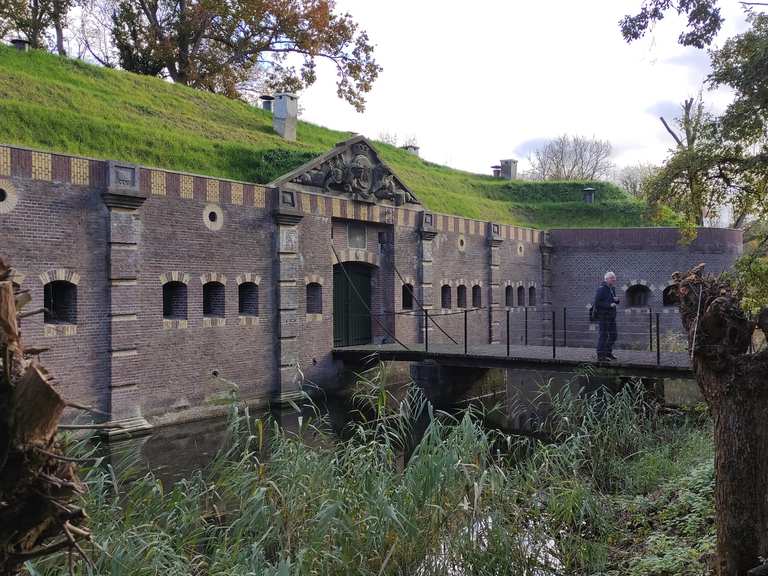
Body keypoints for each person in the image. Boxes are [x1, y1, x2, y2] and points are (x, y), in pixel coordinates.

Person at [594, 271, 619, 361]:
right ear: (607, 279)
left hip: (612, 316)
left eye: (614, 278)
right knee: (603, 335)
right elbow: (597, 303)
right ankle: (600, 355)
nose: (614, 279)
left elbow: (615, 301)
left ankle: (608, 353)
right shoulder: (601, 289)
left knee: (614, 335)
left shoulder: (612, 288)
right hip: (603, 316)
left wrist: (617, 300)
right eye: (612, 278)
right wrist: (609, 305)